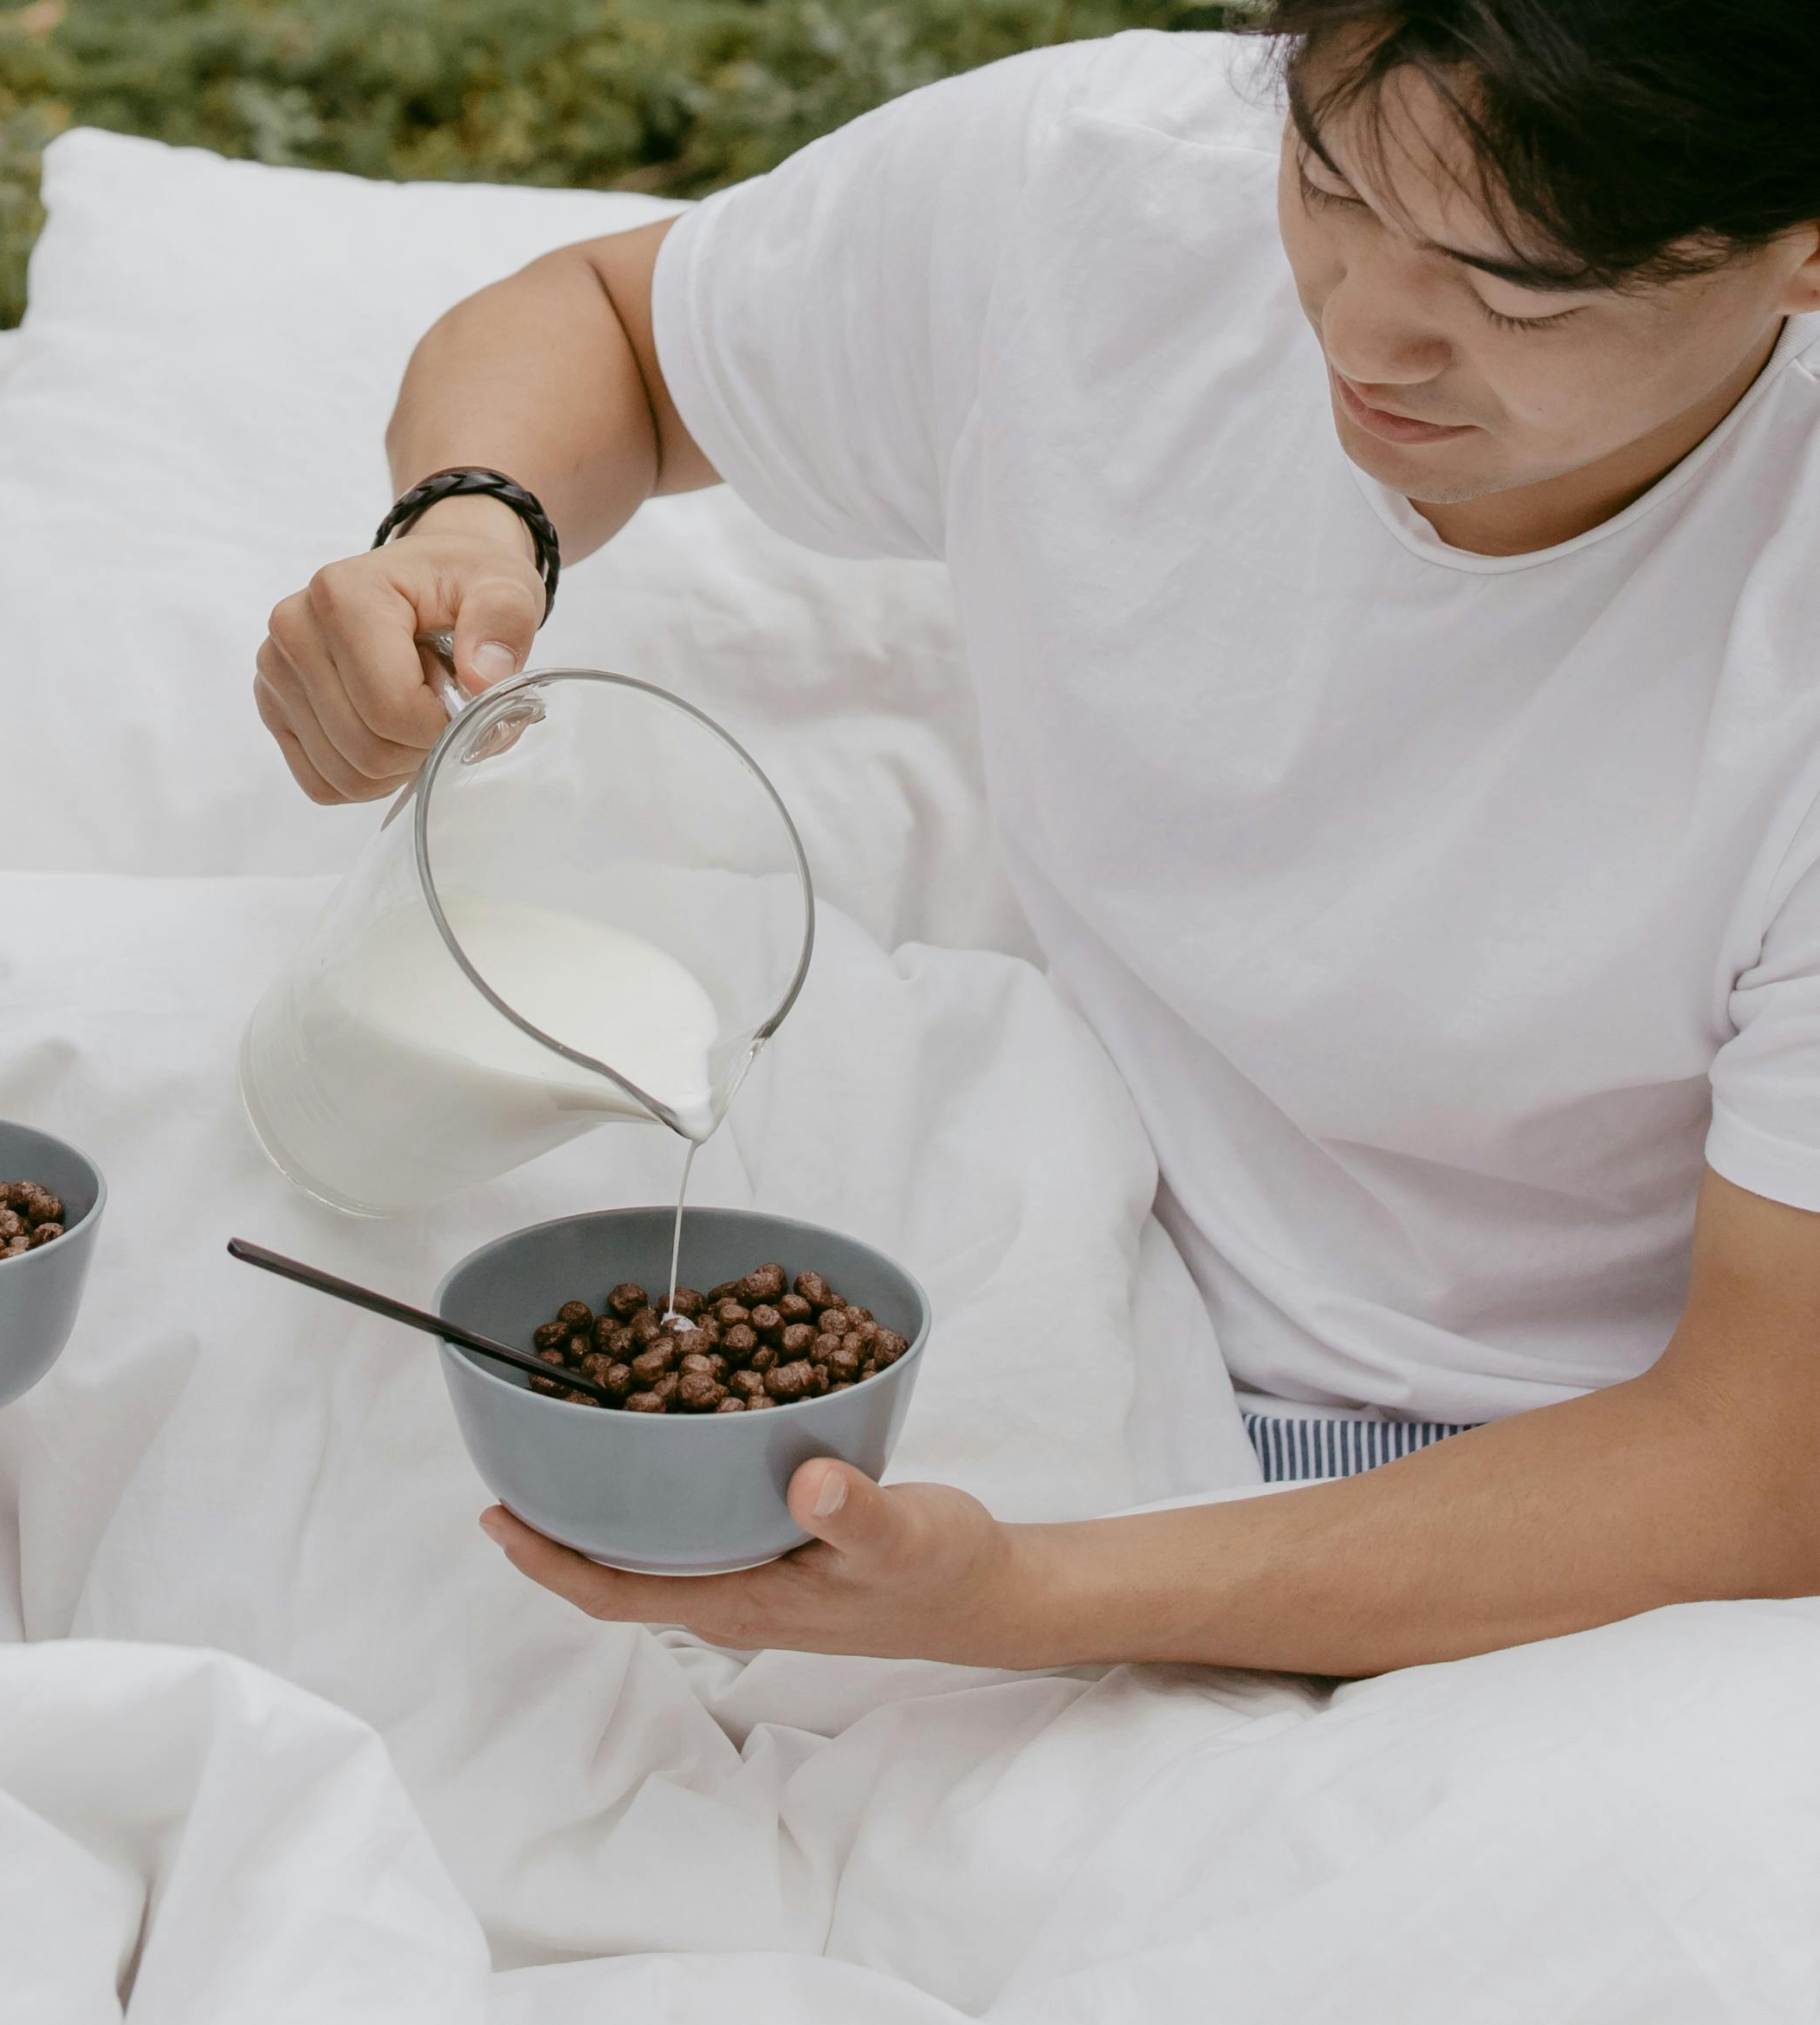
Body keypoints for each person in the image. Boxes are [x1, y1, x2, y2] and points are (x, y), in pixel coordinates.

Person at [252, 0, 1820, 1677]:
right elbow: (607, 331)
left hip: (1495, 1488)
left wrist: (1021, 1600)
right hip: (1044, 1225)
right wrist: (472, 525)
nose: (1364, 332)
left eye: (1516, 287)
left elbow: (1751, 1469)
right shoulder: (1109, 188)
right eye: (1329, 184)